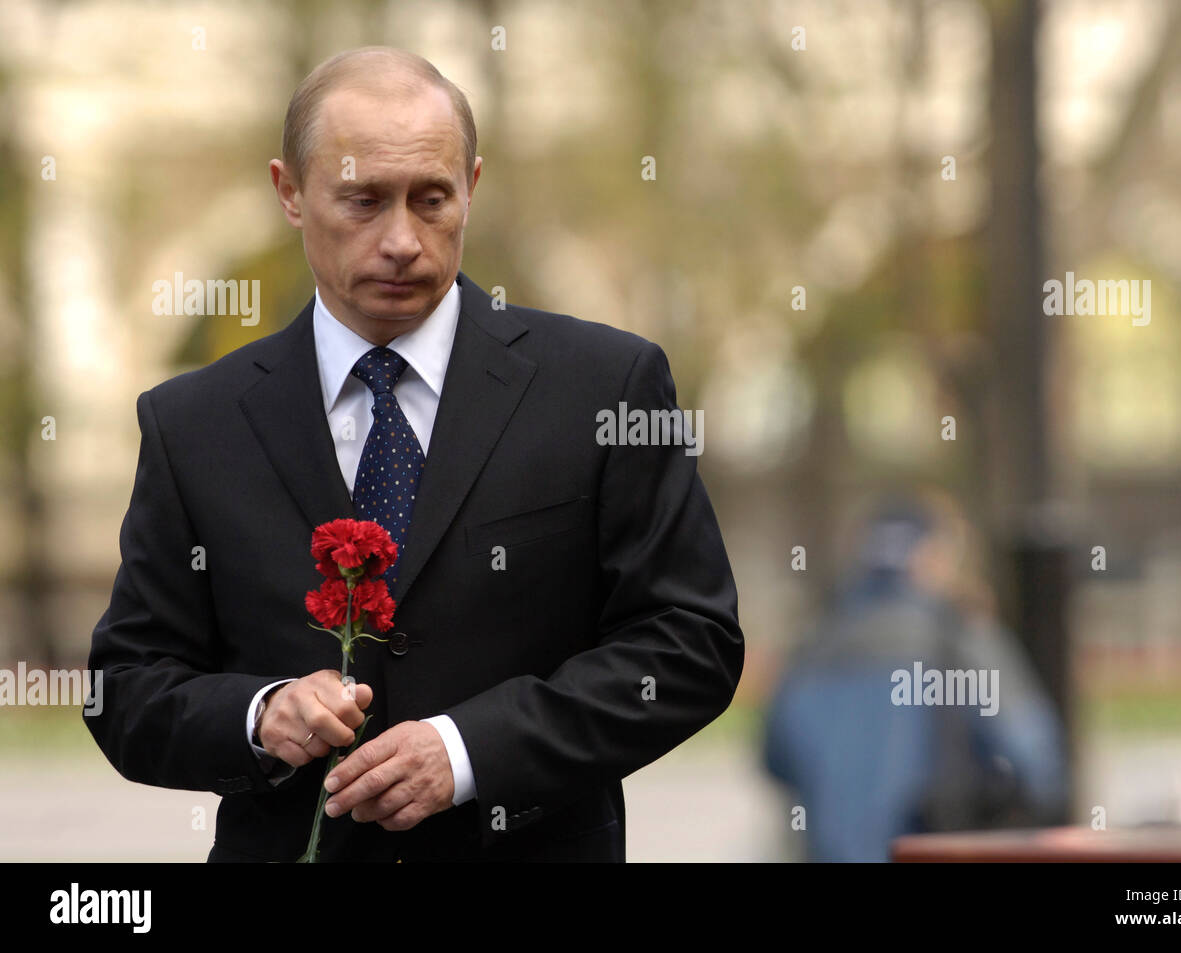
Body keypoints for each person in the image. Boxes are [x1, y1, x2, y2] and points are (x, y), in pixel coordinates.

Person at [82, 46, 744, 862]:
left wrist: (469, 751)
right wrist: (260, 714)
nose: (402, 240)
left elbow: (690, 643)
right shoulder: (192, 423)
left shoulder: (607, 387)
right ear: (289, 192)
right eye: (362, 200)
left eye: (432, 199)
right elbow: (126, 690)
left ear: (472, 183)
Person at [762, 493, 1067, 862]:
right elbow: (1036, 764)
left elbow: (774, 760)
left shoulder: (812, 646)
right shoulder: (962, 642)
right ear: (933, 556)